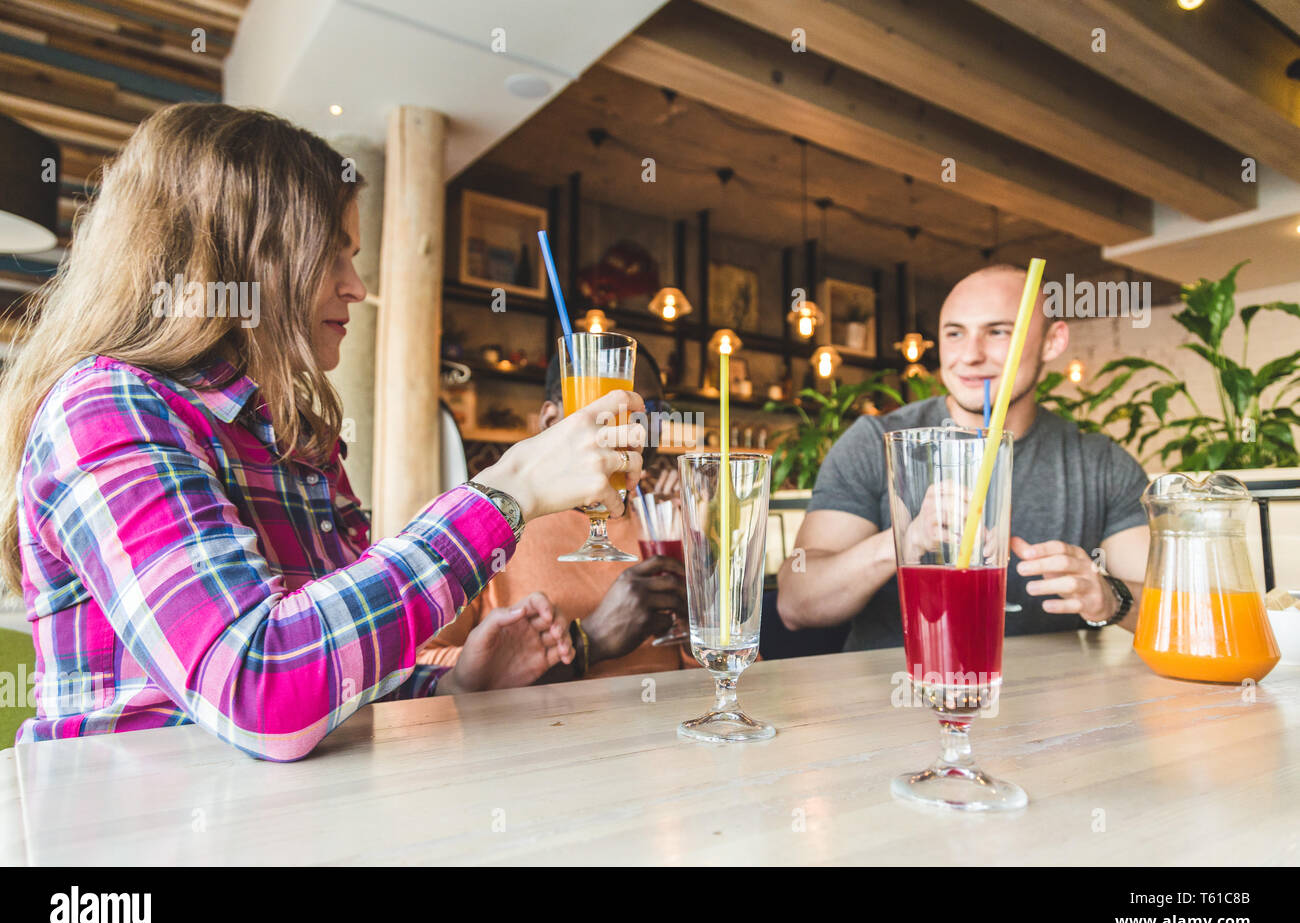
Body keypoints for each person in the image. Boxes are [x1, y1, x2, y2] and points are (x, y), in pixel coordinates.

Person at [0, 104, 646, 761]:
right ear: (239, 254)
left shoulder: (293, 437)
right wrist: (509, 490)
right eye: (333, 252)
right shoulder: (108, 409)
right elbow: (262, 689)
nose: (357, 287)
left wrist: (455, 679)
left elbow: (326, 685)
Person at [777, 264, 1149, 651]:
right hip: (894, 700)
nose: (970, 355)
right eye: (955, 333)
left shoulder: (1100, 464)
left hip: (1051, 702)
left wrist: (1112, 598)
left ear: (1052, 342)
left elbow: (1180, 615)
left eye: (999, 331)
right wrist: (903, 539)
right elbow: (795, 603)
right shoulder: (876, 442)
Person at [419, 348, 691, 682]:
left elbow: (730, 680)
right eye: (608, 407)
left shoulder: (667, 526)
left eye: (650, 411)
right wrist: (588, 641)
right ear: (550, 421)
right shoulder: (476, 527)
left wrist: (701, 632)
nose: (634, 429)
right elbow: (412, 674)